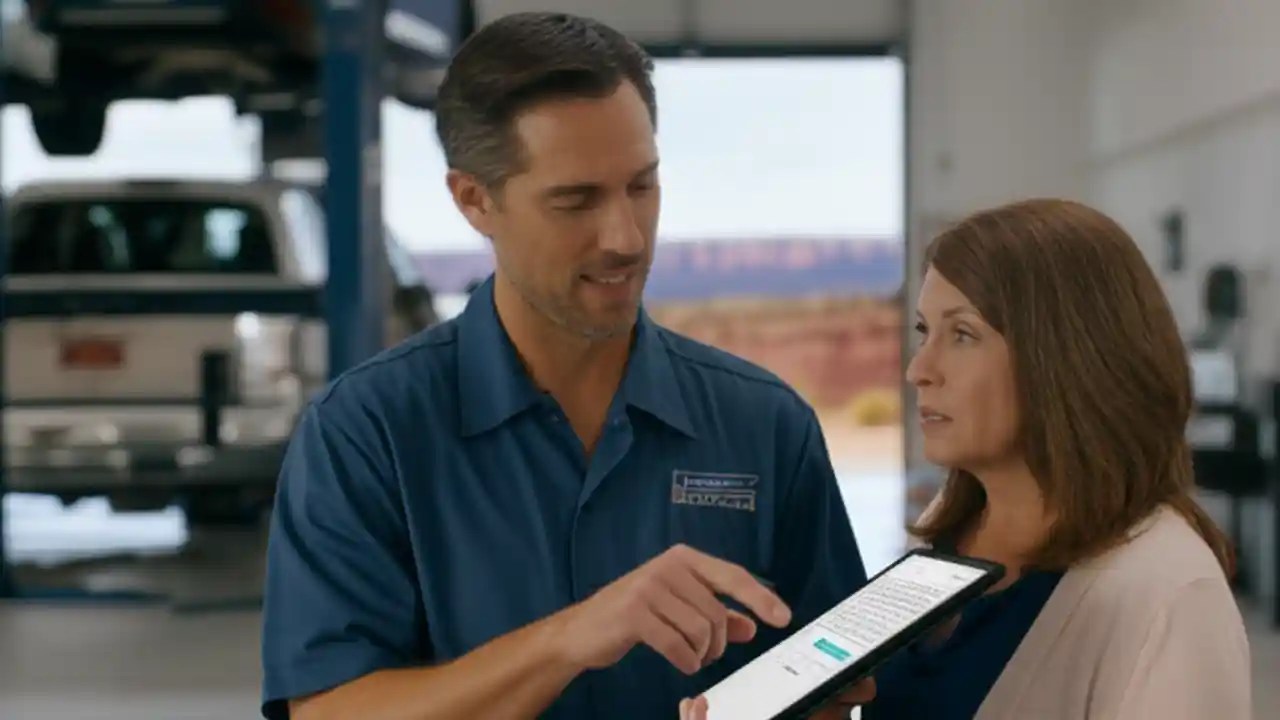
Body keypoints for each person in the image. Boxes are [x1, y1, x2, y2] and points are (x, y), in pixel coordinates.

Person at [259, 11, 871, 720]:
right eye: (575, 200)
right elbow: (329, 712)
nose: (626, 236)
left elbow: (831, 687)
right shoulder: (368, 435)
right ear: (474, 200)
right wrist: (571, 638)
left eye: (642, 186)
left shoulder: (765, 425)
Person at [682, 198, 1254, 720]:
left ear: (1066, 354)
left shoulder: (1169, 593)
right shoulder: (946, 535)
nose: (918, 370)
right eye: (925, 331)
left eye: (962, 335)